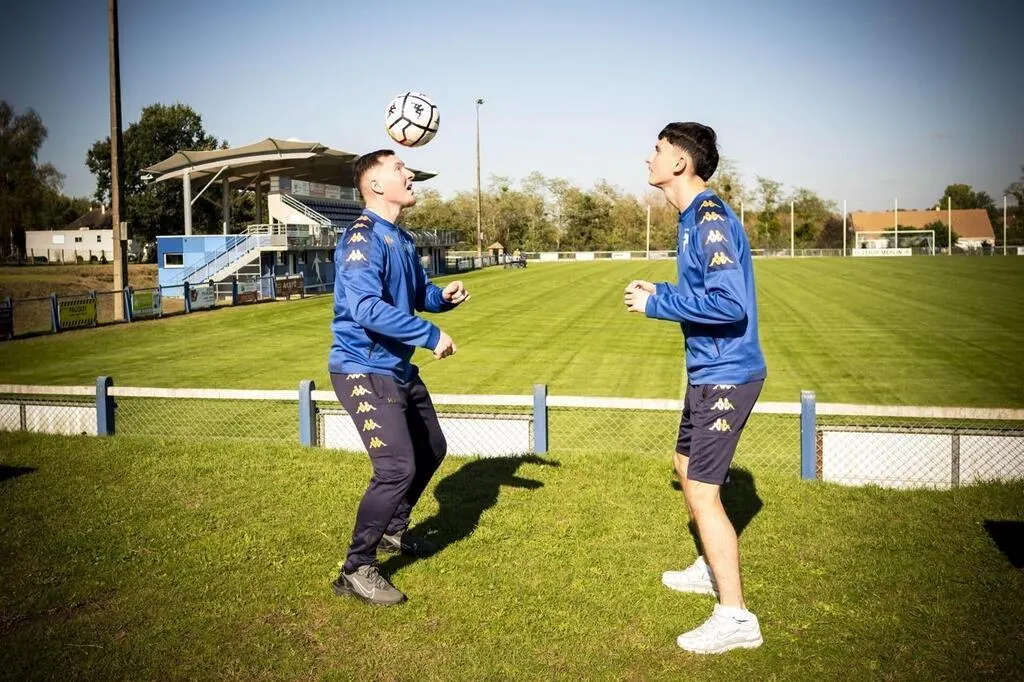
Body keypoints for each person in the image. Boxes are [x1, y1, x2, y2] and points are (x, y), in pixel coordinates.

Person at [624, 122, 767, 654]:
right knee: (684, 464)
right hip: (708, 371)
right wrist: (662, 289)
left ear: (681, 163)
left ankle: (735, 618)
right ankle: (710, 568)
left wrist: (658, 304)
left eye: (658, 151)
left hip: (727, 374)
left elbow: (730, 305)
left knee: (704, 494)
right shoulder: (690, 218)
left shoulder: (708, 219)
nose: (649, 159)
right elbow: (707, 290)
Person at [328, 149, 470, 606]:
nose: (410, 174)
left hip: (395, 368)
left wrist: (441, 298)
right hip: (361, 368)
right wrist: (431, 334)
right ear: (374, 186)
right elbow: (365, 308)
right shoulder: (361, 238)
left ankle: (392, 531)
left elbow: (415, 294)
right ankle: (356, 568)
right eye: (398, 169)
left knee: (432, 449)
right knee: (395, 469)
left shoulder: (401, 239)